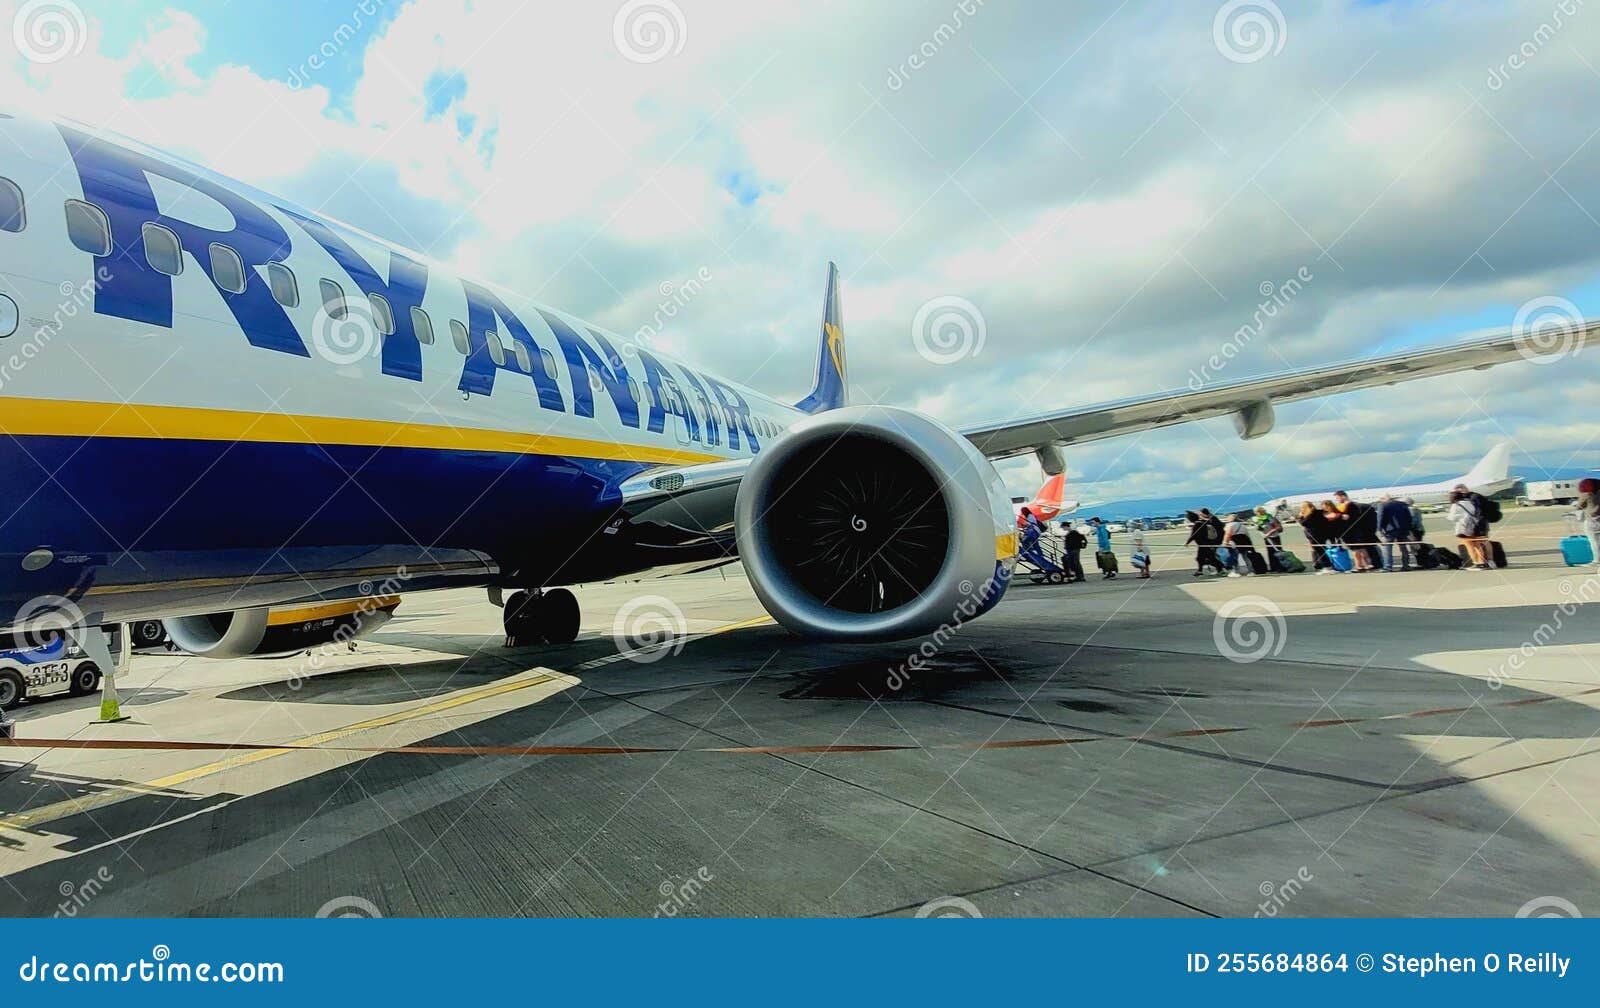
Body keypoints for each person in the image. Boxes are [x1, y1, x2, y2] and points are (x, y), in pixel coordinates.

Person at [1448, 483, 1492, 569]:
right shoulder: (1469, 502)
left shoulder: (1456, 505)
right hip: (1474, 526)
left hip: (1463, 528)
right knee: (1477, 545)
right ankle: (1482, 561)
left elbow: (1452, 518)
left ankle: (1476, 562)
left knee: (1469, 545)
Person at [1376, 494, 1415, 571]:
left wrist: (1379, 530)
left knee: (1387, 548)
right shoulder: (1402, 504)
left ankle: (1388, 566)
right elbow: (1409, 517)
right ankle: (1406, 565)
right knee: (1403, 547)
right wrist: (1408, 529)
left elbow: (1380, 517)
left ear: (1384, 498)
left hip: (1390, 530)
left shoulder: (1382, 505)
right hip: (1403, 529)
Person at [1184, 509, 1223, 576]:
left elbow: (1193, 535)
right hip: (1205, 544)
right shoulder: (1203, 523)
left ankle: (1221, 569)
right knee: (1201, 558)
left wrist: (1187, 542)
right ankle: (1200, 571)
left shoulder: (1197, 524)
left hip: (1204, 544)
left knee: (1210, 558)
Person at [1574, 477, 1600, 571]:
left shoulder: (1587, 495)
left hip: (1592, 521)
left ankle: (1596, 560)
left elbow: (1579, 506)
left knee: (1594, 541)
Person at [1221, 511, 1256, 577]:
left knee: (1235, 557)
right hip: (1244, 542)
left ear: (1231, 519)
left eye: (1228, 517)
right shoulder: (1242, 525)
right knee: (1246, 557)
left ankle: (1236, 571)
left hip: (1234, 542)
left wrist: (1225, 542)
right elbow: (1247, 535)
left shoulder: (1229, 525)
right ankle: (1251, 571)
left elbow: (1228, 534)